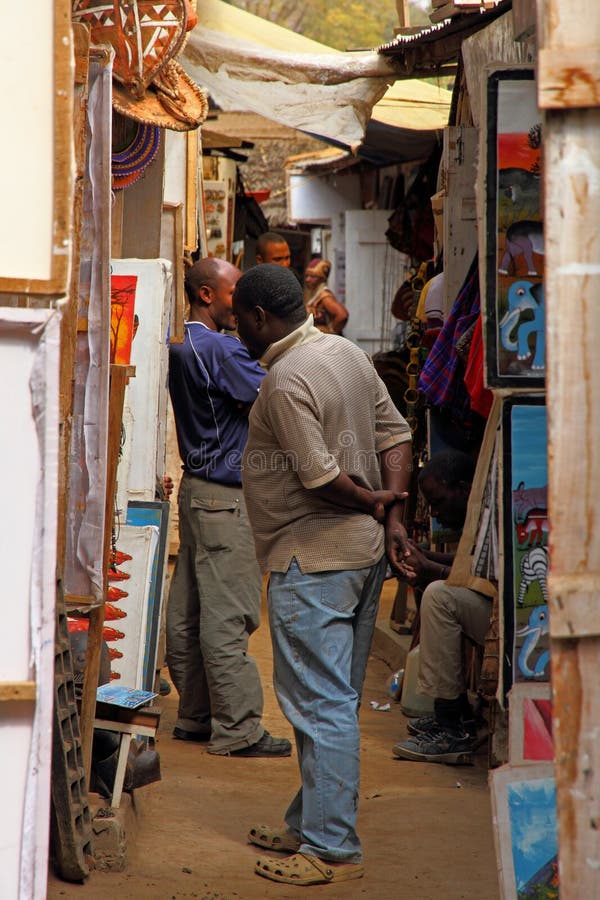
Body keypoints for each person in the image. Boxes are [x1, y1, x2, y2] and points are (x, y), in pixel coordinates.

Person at [232, 264, 413, 886]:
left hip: (315, 559)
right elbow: (396, 434)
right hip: (359, 557)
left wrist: (373, 504)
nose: (237, 333)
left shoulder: (284, 380)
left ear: (260, 317)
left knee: (321, 705)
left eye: (239, 321)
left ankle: (329, 847)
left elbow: (318, 477)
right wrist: (390, 513)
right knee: (329, 702)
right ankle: (311, 822)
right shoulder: (344, 351)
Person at [166, 257, 291, 759]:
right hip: (228, 497)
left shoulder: (182, 345)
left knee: (189, 611)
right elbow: (276, 398)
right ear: (206, 295)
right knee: (229, 617)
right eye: (233, 292)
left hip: (197, 489)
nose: (239, 304)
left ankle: (195, 716)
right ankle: (238, 730)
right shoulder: (220, 348)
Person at [392, 449, 494, 765]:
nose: (434, 514)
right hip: (498, 616)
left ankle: (450, 729)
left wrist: (430, 568)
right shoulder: (480, 510)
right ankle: (459, 715)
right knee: (437, 590)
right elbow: (472, 565)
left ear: (463, 489)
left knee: (440, 596)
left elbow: (488, 581)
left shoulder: (494, 511)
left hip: (517, 623)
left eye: (438, 502)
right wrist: (424, 556)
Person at [303, 257, 348, 335]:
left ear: (322, 279)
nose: (307, 279)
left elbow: (342, 315)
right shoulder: (315, 295)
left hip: (325, 343)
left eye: (313, 276)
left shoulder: (325, 296)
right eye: (307, 276)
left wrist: (330, 332)